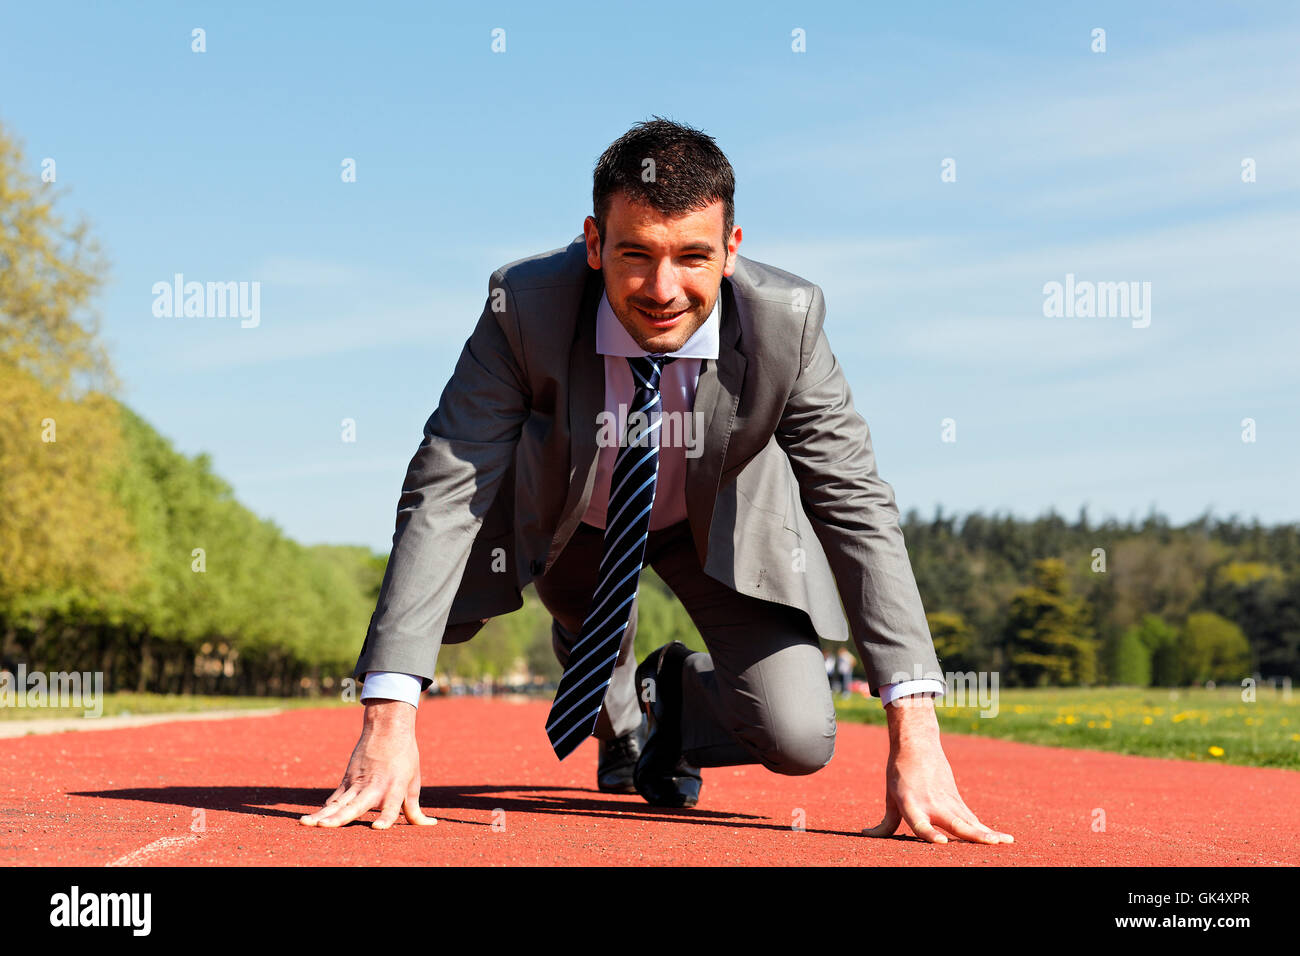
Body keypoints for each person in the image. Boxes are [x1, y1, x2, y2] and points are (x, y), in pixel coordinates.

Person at [300, 117, 1012, 846]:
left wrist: (916, 732)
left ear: (732, 249)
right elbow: (446, 482)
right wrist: (388, 718)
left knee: (800, 737)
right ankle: (613, 701)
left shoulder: (787, 324)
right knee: (600, 679)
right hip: (576, 526)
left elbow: (854, 502)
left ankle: (671, 697)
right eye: (635, 253)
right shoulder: (523, 308)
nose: (663, 289)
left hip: (717, 524)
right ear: (593, 242)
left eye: (692, 257)